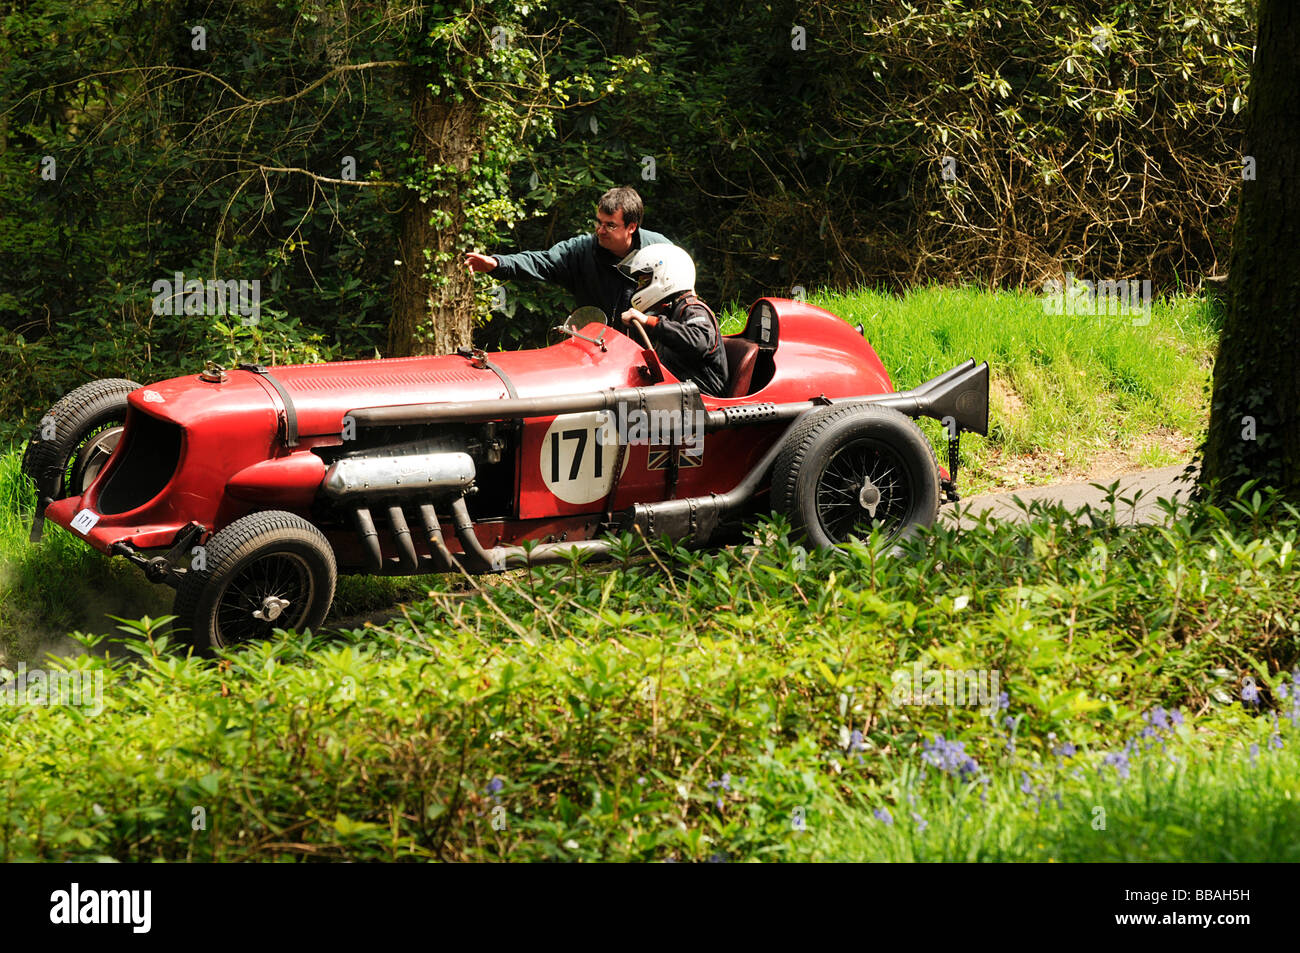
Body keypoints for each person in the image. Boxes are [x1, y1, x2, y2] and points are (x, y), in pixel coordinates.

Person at [465, 186, 670, 321]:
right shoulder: (582, 250)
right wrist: (497, 263)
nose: (600, 230)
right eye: (599, 222)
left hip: (648, 348)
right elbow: (542, 261)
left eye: (610, 225)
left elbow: (684, 299)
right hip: (598, 350)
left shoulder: (661, 252)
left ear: (631, 227)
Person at [617, 244, 728, 397]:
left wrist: (650, 322)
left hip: (701, 400)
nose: (639, 289)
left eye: (644, 282)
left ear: (665, 277)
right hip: (679, 394)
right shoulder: (671, 311)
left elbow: (699, 341)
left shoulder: (692, 308)